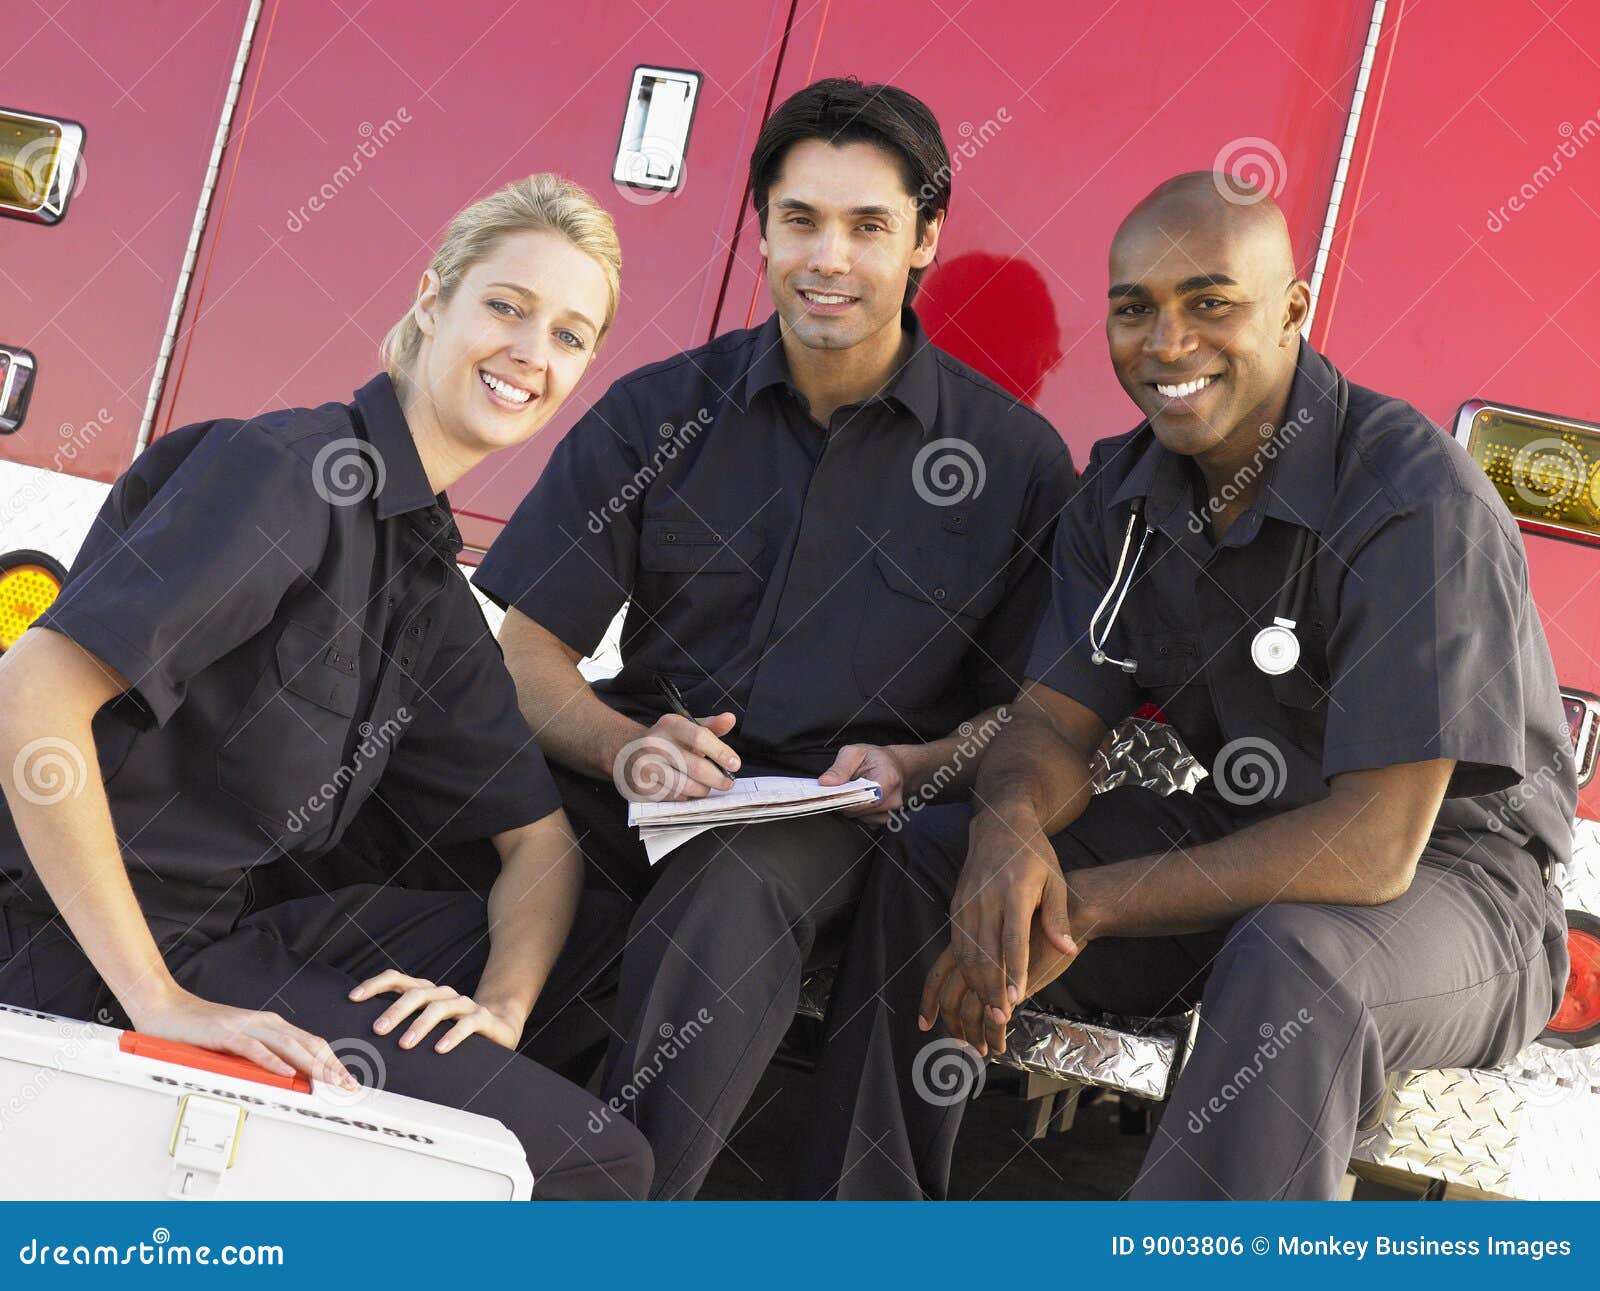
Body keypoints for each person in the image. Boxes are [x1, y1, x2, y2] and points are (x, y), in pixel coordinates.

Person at [796, 171, 1574, 1201]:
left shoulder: (1413, 500)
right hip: (1236, 835)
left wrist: (1086, 902)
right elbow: (1051, 725)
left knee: (1293, 967)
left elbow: (1375, 843)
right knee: (937, 872)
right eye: (1133, 309)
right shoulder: (1121, 494)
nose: (1164, 344)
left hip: (1457, 887)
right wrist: (1007, 839)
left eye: (1210, 303)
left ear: (1293, 312)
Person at [470, 78, 1077, 1199]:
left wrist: (912, 764)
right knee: (435, 809)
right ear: (760, 233)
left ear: (924, 241)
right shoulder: (657, 413)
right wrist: (621, 748)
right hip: (642, 784)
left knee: (732, 884)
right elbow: (525, 656)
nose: (827, 258)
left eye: (867, 227)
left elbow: (1030, 715)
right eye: (799, 221)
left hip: (842, 821)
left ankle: (608, 1214)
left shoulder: (1017, 464)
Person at [0, 175, 652, 1200]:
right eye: (507, 306)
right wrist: (160, 1000)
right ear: (433, 299)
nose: (533, 351)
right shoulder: (290, 475)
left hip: (233, 928)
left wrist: (498, 1008)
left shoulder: (422, 571)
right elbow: (31, 693)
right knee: (599, 1161)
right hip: (81, 944)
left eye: (570, 335)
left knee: (633, 929)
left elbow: (541, 844)